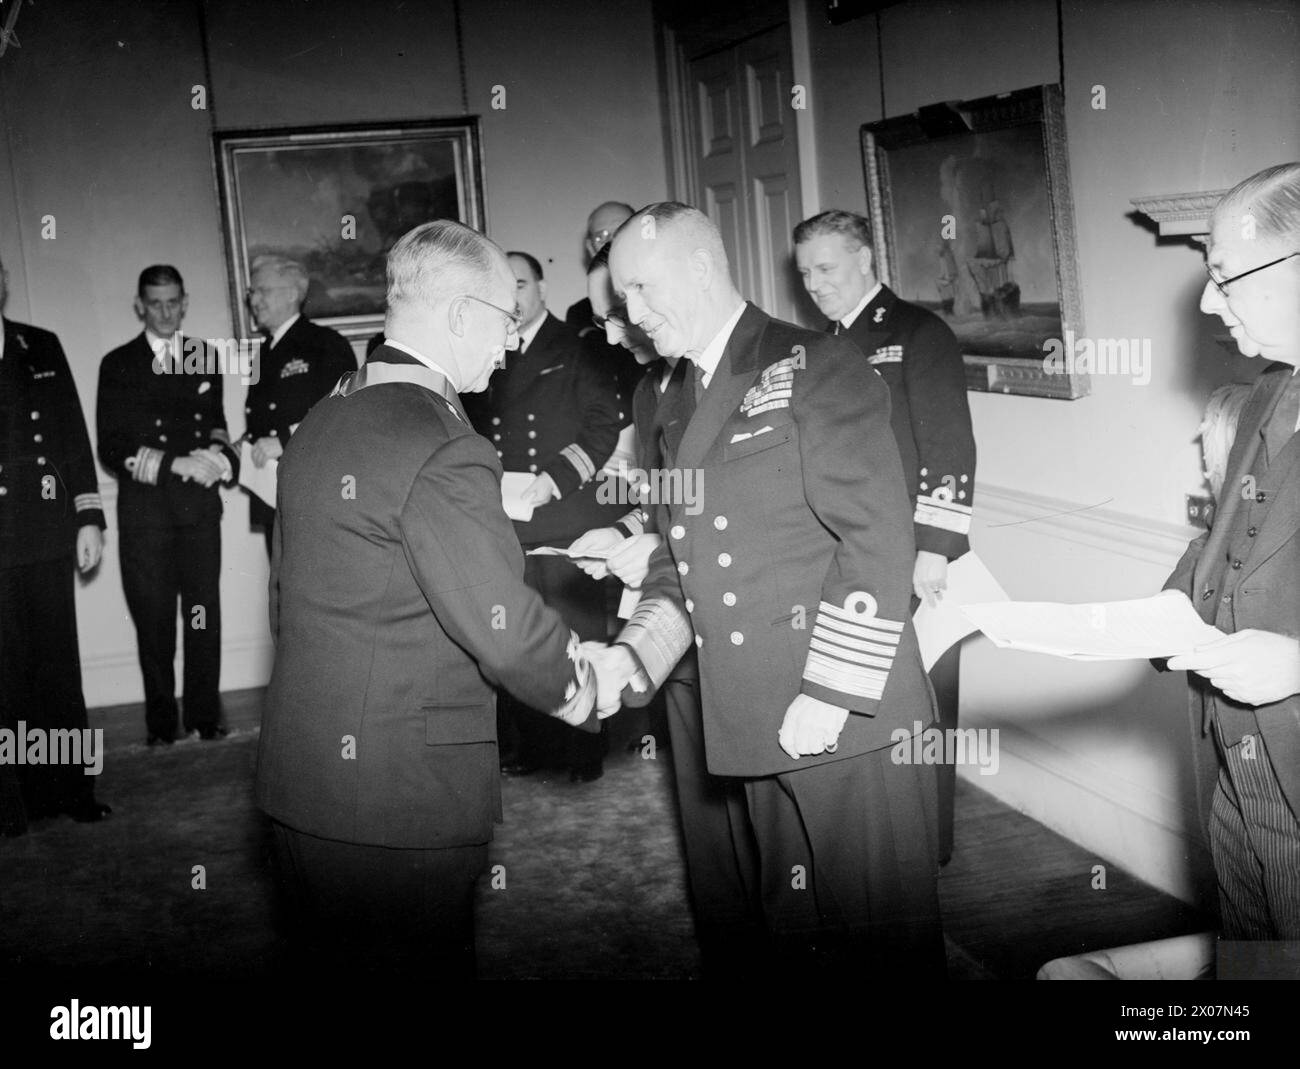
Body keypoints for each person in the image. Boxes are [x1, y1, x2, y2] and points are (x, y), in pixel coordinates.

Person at [587, 202, 945, 976]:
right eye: (623, 300)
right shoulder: (671, 397)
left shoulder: (816, 362)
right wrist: (631, 656)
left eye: (643, 291)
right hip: (752, 713)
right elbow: (688, 566)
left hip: (847, 718)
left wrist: (830, 689)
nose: (634, 316)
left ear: (704, 267)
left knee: (882, 946)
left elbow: (877, 537)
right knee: (796, 936)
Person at [255, 220, 609, 977]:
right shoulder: (442, 438)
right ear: (459, 316)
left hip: (304, 782)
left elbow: (292, 595)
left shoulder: (322, 417)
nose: (510, 344)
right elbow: (505, 631)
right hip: (399, 801)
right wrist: (582, 687)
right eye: (504, 322)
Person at [569, 242, 762, 972]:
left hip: (740, 629)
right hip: (675, 630)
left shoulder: (746, 376)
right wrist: (623, 531)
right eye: (603, 319)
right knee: (705, 814)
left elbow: (735, 530)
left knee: (762, 827)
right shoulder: (654, 392)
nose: (617, 333)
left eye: (622, 313)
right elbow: (668, 503)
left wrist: (647, 550)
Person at [795, 209, 977, 865]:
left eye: (827, 268)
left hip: (913, 552)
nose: (815, 283)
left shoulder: (918, 332)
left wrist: (935, 545)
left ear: (866, 260)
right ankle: (878, 835)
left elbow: (950, 444)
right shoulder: (817, 346)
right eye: (805, 272)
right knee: (864, 690)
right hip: (844, 548)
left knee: (924, 701)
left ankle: (928, 844)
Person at [1162, 162, 1300, 941]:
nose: (1209, 302)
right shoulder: (1266, 394)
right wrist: (1138, 618)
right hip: (1239, 774)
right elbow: (1225, 545)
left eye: (1225, 277)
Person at [462, 250, 625, 782]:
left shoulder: (579, 347)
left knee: (570, 635)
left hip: (562, 511)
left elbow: (603, 425)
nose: (515, 297)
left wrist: (552, 480)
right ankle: (528, 749)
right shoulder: (489, 351)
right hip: (505, 514)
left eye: (523, 284)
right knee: (517, 637)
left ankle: (581, 754)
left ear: (543, 288)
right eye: (504, 289)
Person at [97, 266, 239, 745]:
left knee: (203, 614)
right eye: (155, 303)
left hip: (198, 512)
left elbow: (217, 423)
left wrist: (216, 457)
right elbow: (112, 448)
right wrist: (177, 464)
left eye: (173, 302)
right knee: (154, 622)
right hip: (147, 516)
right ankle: (161, 725)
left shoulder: (203, 356)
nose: (165, 312)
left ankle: (205, 716)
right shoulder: (117, 364)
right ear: (140, 305)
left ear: (185, 301)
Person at [0, 257, 111, 834]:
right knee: (5, 674)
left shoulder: (38, 346)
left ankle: (71, 791)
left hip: (44, 533)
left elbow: (71, 436)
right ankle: (11, 803)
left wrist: (88, 519)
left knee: (58, 670)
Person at [242, 254, 356, 555]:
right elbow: (258, 425)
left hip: (315, 495)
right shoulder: (264, 353)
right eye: (252, 292)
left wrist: (284, 439)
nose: (254, 300)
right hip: (274, 495)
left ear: (292, 294)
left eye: (262, 291)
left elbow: (343, 412)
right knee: (284, 592)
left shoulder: (326, 344)